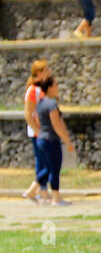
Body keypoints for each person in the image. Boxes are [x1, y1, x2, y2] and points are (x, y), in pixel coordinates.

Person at [34, 76, 72, 206]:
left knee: (48, 168)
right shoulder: (51, 104)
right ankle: (56, 198)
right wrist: (67, 141)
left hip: (41, 138)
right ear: (49, 88)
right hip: (51, 140)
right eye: (56, 85)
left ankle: (31, 190)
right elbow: (57, 125)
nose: (57, 88)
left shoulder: (40, 103)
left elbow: (38, 121)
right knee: (54, 169)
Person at [20, 61, 51, 204]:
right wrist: (38, 130)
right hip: (38, 131)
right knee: (46, 163)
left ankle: (41, 191)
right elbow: (28, 114)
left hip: (43, 130)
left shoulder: (41, 90)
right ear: (39, 73)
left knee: (44, 162)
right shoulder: (33, 90)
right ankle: (34, 190)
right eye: (46, 70)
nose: (49, 72)